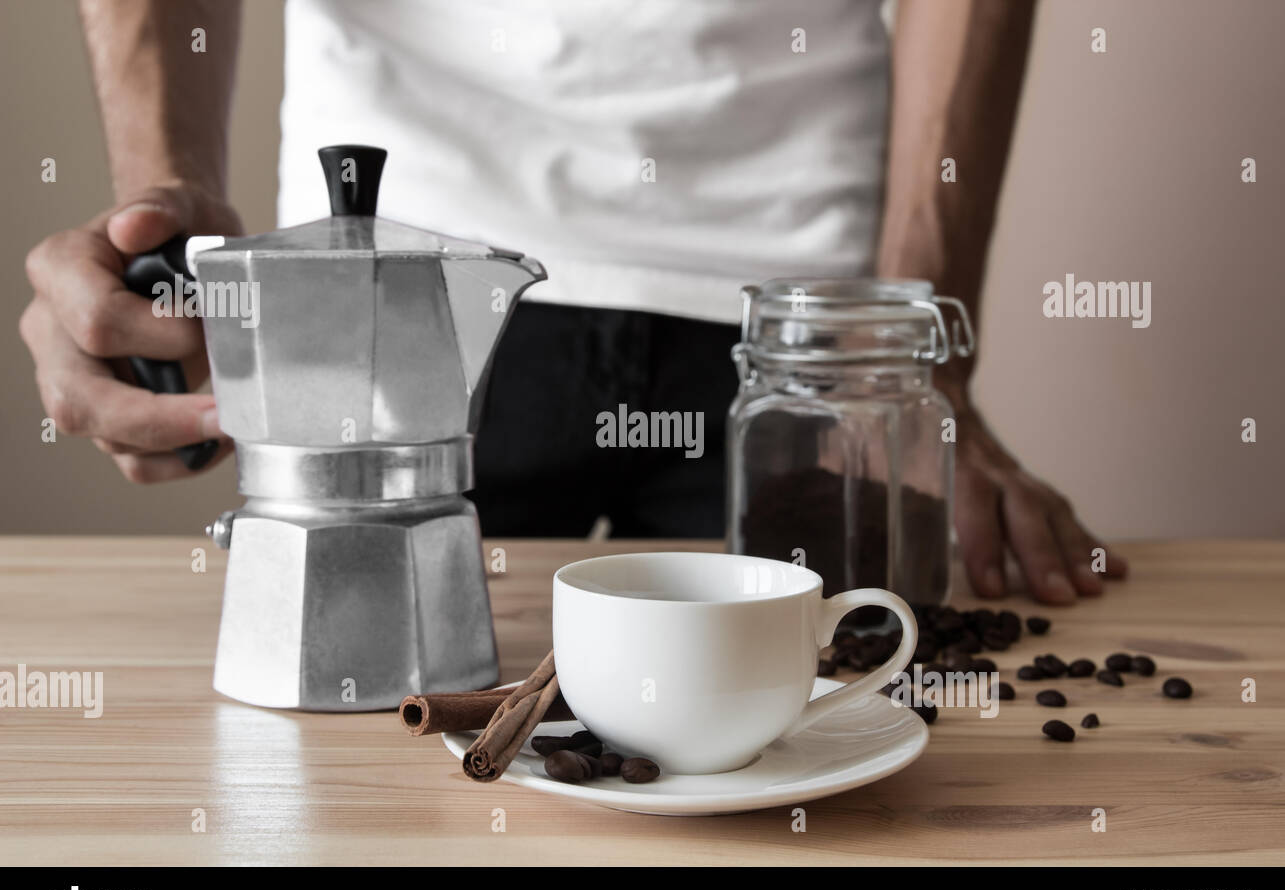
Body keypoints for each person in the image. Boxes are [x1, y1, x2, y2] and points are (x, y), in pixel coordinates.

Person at [20, 0, 1127, 604]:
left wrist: (902, 351)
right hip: (408, 311)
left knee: (813, 744)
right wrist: (168, 220)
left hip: (791, 331)